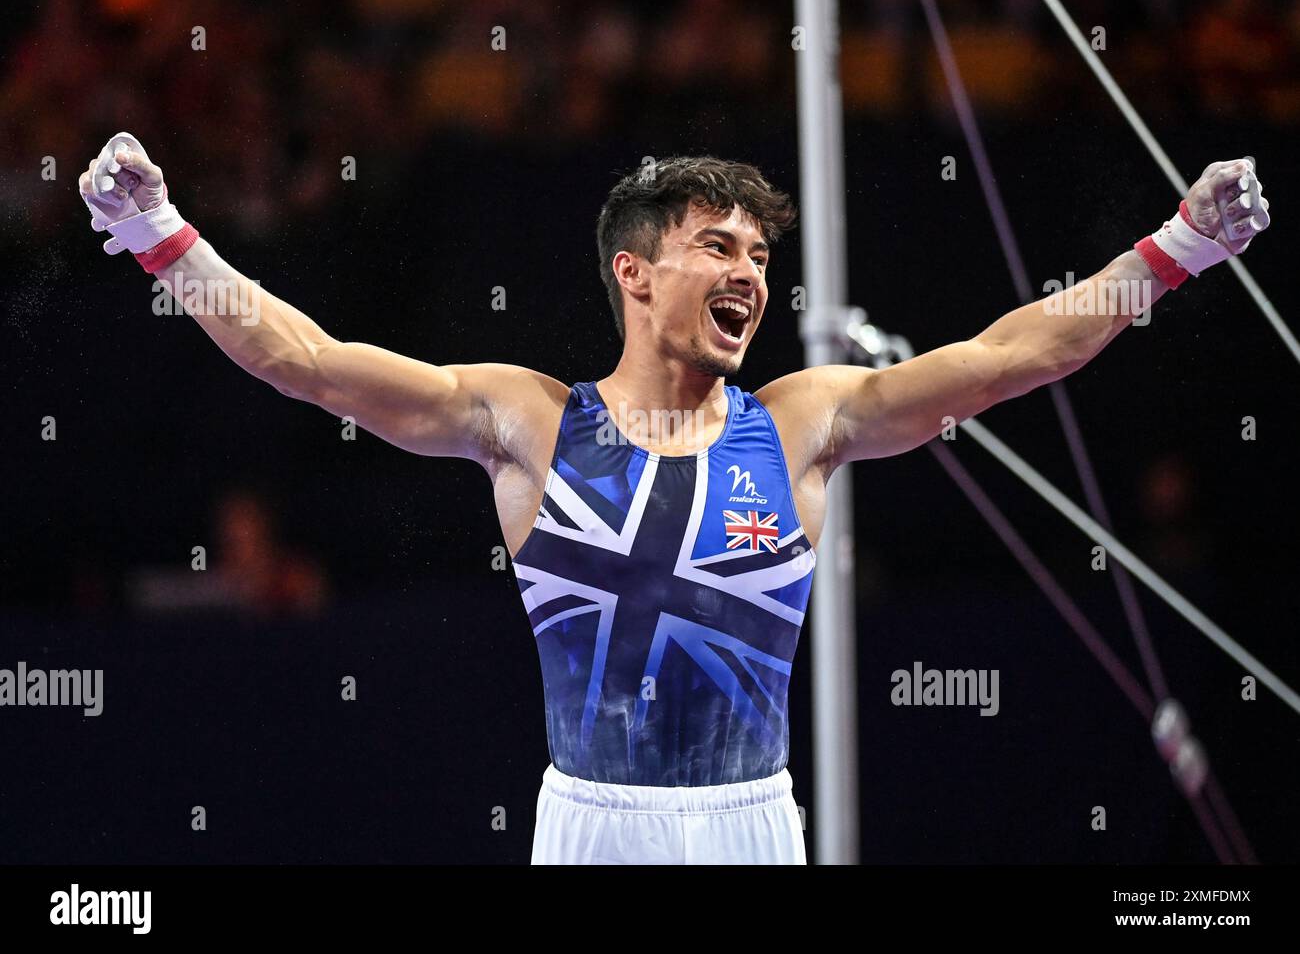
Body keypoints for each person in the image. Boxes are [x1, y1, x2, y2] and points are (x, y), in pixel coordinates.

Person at [80, 133, 1270, 864]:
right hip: (593, 823)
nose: (751, 271)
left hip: (748, 822)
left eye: (760, 253)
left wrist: (1175, 248)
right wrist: (159, 234)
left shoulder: (805, 423)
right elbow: (306, 357)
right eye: (719, 246)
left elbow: (1016, 353)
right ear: (636, 274)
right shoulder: (527, 421)